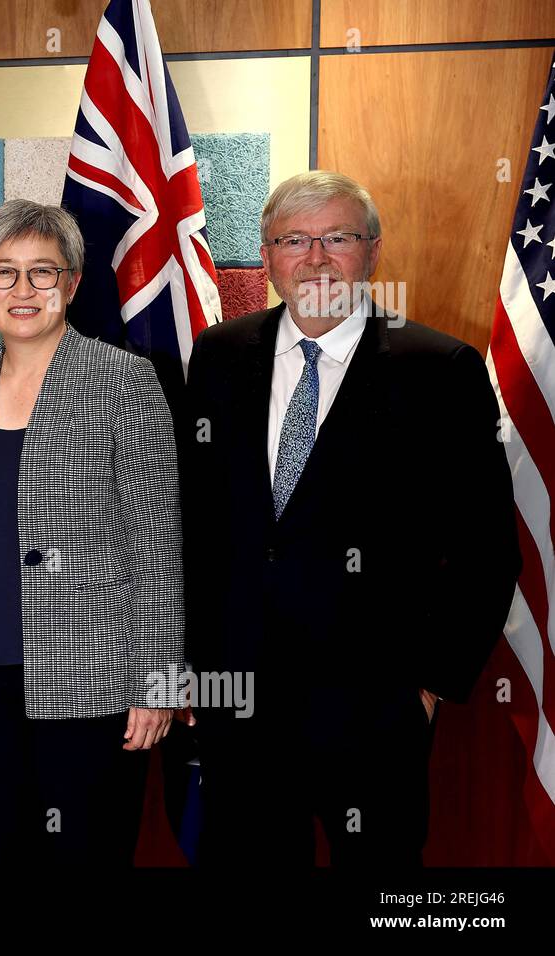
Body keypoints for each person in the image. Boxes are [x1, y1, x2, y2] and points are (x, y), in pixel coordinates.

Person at [181, 171, 520, 866]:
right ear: (268, 256)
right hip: (236, 703)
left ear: (372, 252)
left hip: (375, 710)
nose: (315, 258)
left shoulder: (439, 369)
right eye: (294, 240)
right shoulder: (218, 357)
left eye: (337, 238)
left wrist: (429, 685)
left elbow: (487, 551)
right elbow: (194, 525)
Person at [0, 199, 185, 866]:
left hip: (94, 680)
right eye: (5, 273)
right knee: (8, 851)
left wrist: (159, 681)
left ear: (73, 283)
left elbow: (158, 545)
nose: (23, 291)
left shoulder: (124, 381)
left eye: (42, 273)